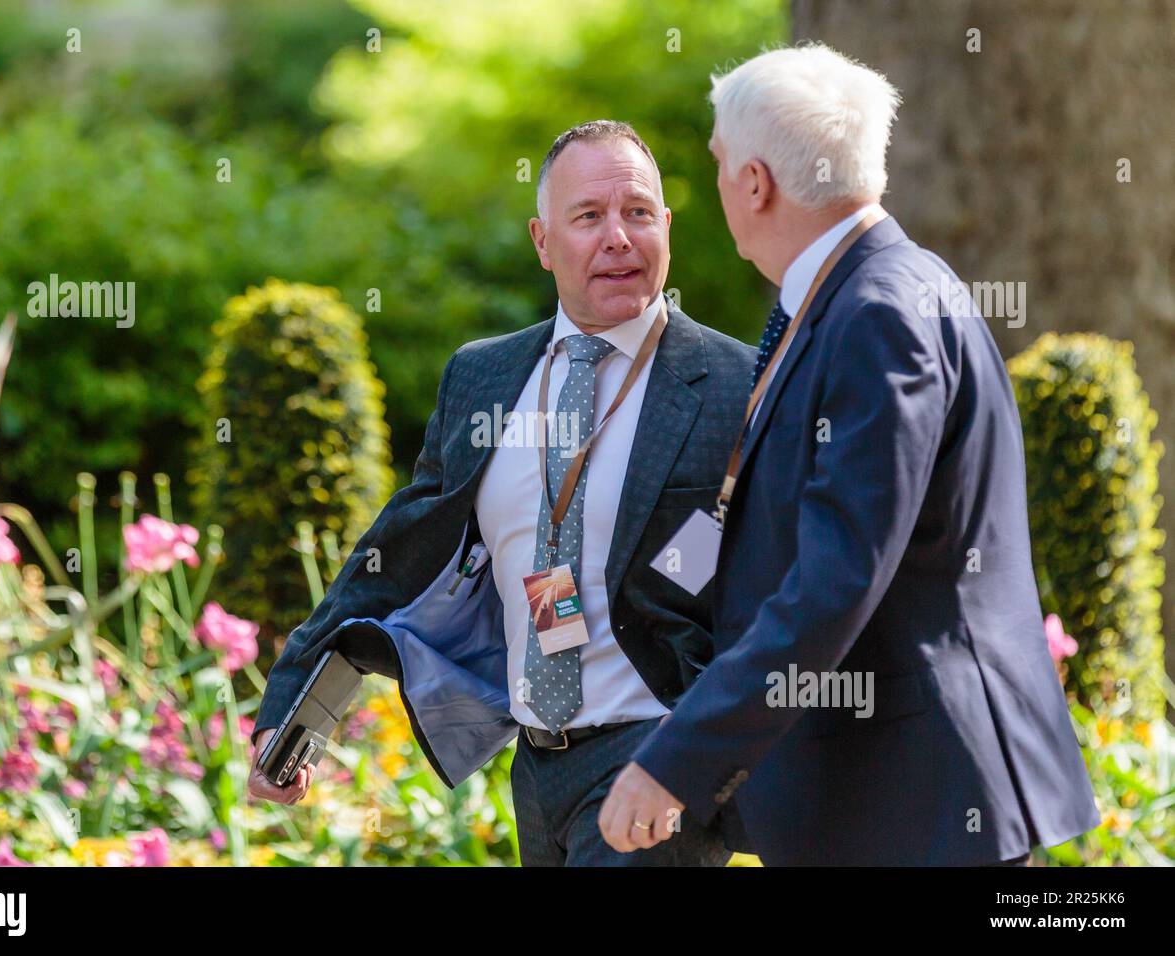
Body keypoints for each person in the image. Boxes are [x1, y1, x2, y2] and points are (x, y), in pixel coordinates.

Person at [599, 44, 1100, 865]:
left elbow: (838, 576)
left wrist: (676, 761)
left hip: (922, 799)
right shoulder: (849, 295)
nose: (720, 185)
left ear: (755, 182)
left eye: (721, 164)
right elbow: (760, 512)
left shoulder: (877, 313)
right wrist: (638, 594)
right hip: (898, 796)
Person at [248, 120, 757, 866]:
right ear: (543, 241)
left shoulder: (736, 386)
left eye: (639, 213)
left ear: (667, 229)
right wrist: (293, 710)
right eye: (588, 217)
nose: (618, 236)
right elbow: (396, 551)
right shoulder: (483, 378)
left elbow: (789, 577)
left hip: (655, 762)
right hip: (536, 767)